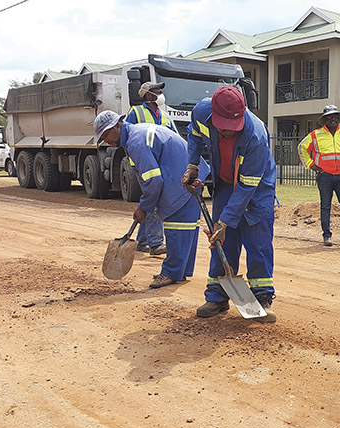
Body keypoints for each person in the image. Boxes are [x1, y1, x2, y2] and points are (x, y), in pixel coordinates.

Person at [182, 86, 277, 318]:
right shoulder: (200, 113)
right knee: (221, 241)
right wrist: (192, 165)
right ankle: (217, 297)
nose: (228, 132)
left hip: (257, 188)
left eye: (232, 129)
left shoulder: (256, 136)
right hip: (225, 182)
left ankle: (262, 298)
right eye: (223, 128)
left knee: (258, 241)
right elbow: (194, 136)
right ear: (213, 115)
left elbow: (246, 187)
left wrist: (226, 220)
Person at [94, 110, 208, 289]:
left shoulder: (136, 142)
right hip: (189, 176)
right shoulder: (137, 133)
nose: (106, 140)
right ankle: (181, 270)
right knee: (187, 229)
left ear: (117, 125)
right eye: (102, 138)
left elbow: (153, 180)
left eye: (106, 134)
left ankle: (171, 272)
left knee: (177, 228)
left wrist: (144, 207)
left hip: (180, 181)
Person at [297, 105, 340, 247]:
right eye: (329, 116)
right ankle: (327, 236)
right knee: (325, 206)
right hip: (324, 176)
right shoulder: (316, 135)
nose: (333, 119)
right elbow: (301, 147)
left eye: (335, 116)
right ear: (325, 119)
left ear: (339, 118)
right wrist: (310, 164)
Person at [124, 81, 171, 256]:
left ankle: (142, 242)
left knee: (151, 199)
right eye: (156, 91)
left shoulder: (164, 115)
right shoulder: (136, 112)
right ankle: (155, 243)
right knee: (154, 201)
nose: (160, 94)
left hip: (160, 165)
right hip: (144, 165)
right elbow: (126, 137)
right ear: (148, 95)